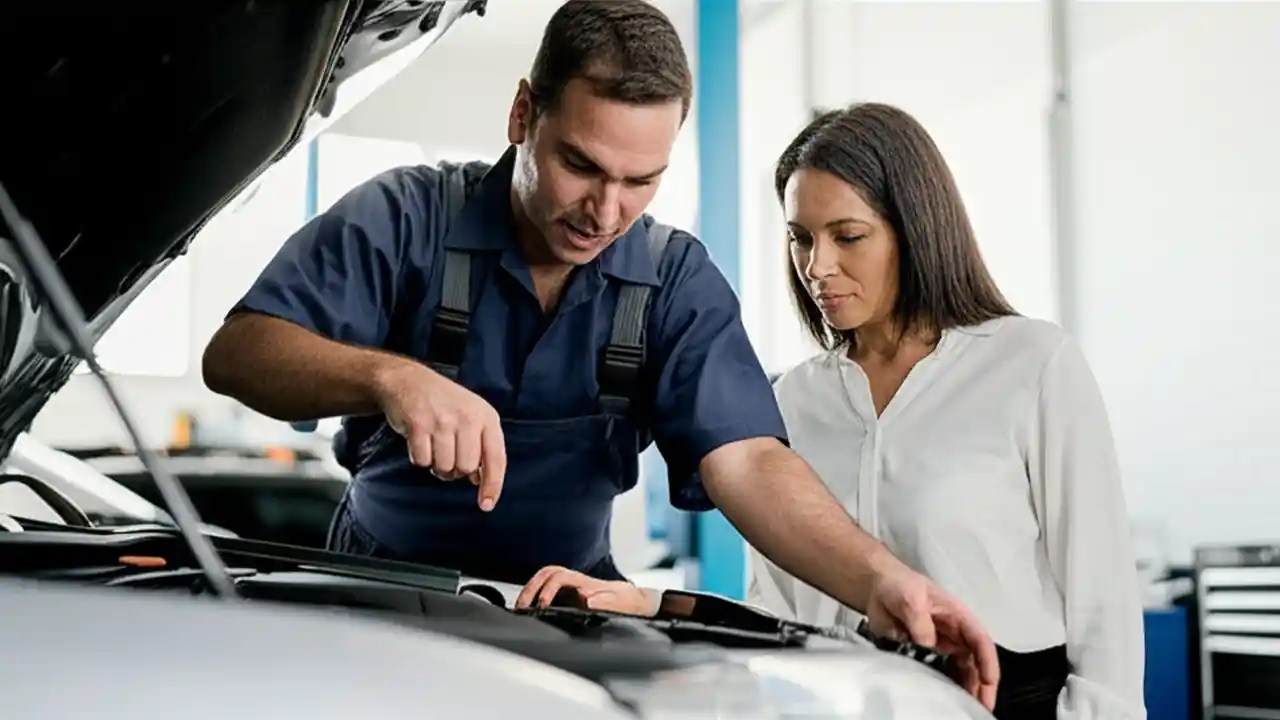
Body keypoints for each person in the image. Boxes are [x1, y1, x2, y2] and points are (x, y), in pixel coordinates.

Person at [201, 2, 997, 708]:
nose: (605, 211)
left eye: (640, 180)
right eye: (580, 165)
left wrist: (882, 580)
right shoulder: (404, 216)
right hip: (376, 596)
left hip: (569, 610)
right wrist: (388, 376)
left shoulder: (673, 279)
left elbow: (748, 460)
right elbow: (238, 352)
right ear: (522, 114)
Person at [535, 102, 1145, 718]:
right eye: (801, 238)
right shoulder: (789, 401)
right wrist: (649, 605)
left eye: (847, 237)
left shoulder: (1032, 364)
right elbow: (780, 620)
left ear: (915, 228)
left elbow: (1105, 610)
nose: (816, 267)